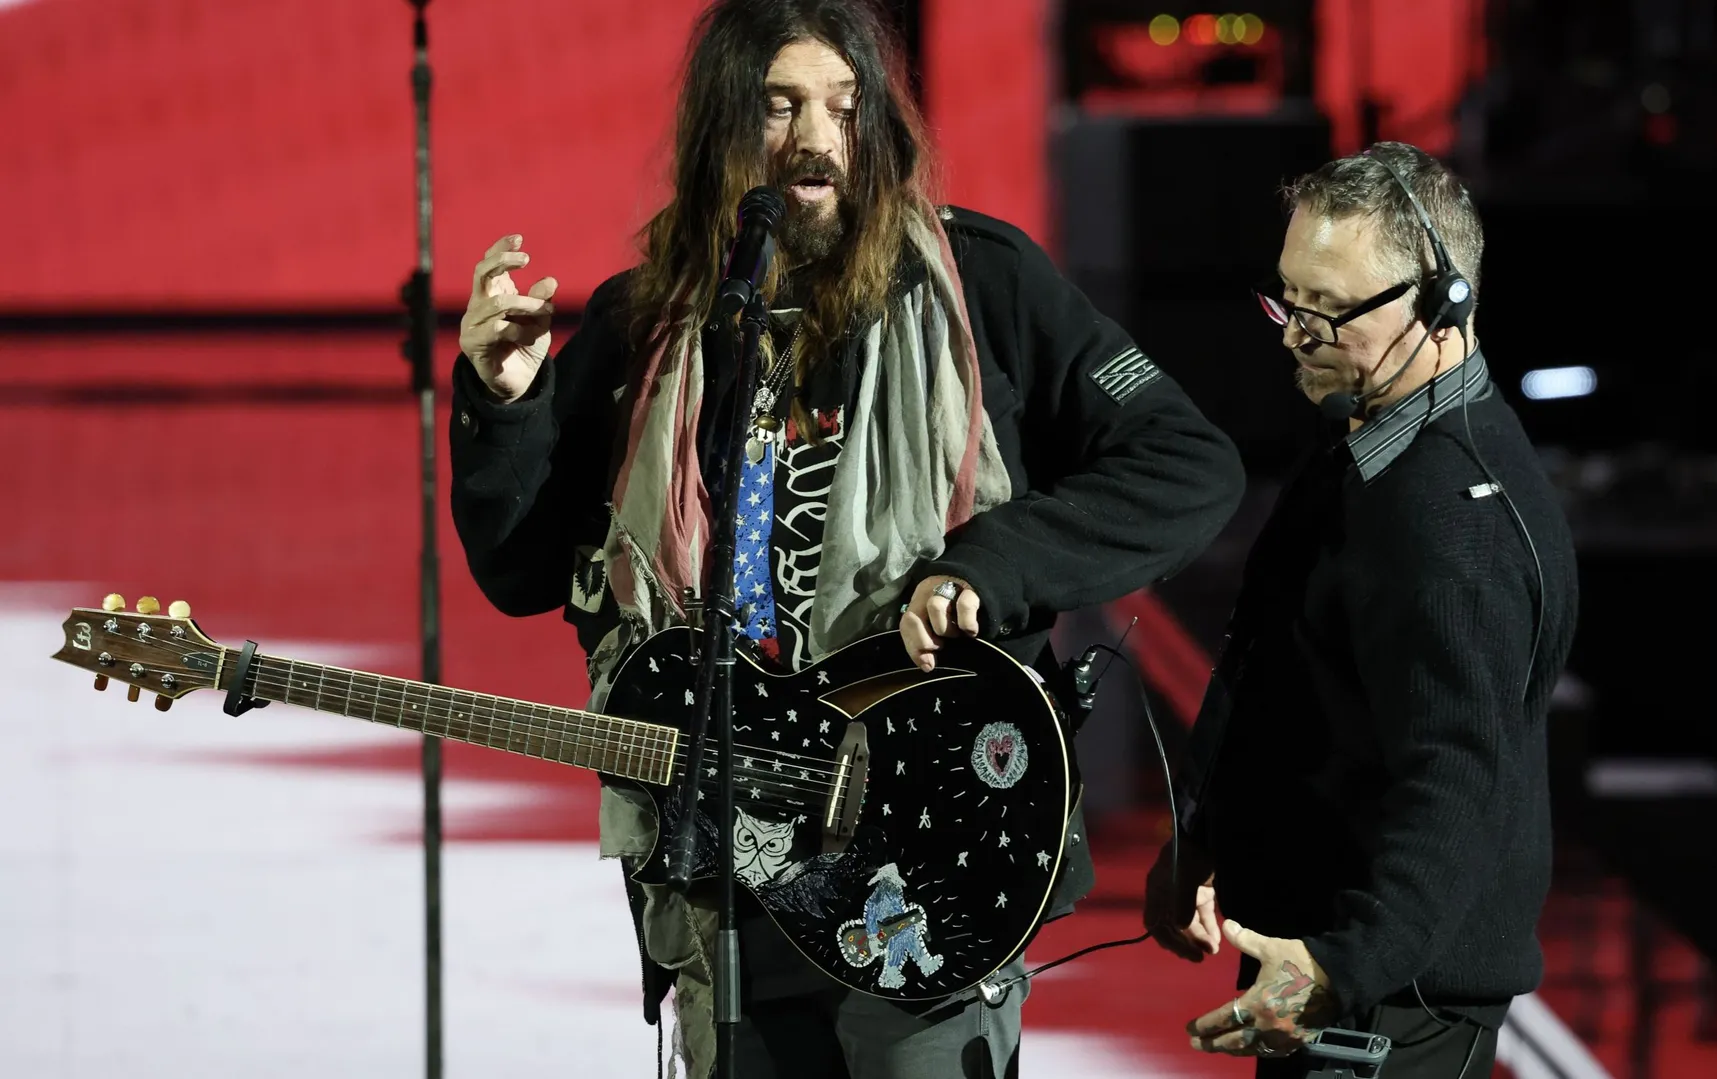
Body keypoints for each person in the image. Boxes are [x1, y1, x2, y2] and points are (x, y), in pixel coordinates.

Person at [447, 1, 1246, 1076]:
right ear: (722, 128)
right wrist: (506, 409)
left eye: (845, 105)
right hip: (728, 860)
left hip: (931, 843)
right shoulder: (651, 322)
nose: (817, 139)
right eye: (780, 106)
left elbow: (1187, 462)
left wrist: (994, 563)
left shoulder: (983, 285)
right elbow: (522, 567)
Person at [1142, 141, 1578, 1078]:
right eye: (1289, 299)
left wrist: (1341, 968)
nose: (1297, 332)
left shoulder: (1450, 520)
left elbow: (1457, 783)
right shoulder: (1372, 448)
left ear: (1444, 303)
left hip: (1387, 1011)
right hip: (1345, 987)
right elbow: (1271, 662)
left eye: (1331, 311)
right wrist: (1205, 834)